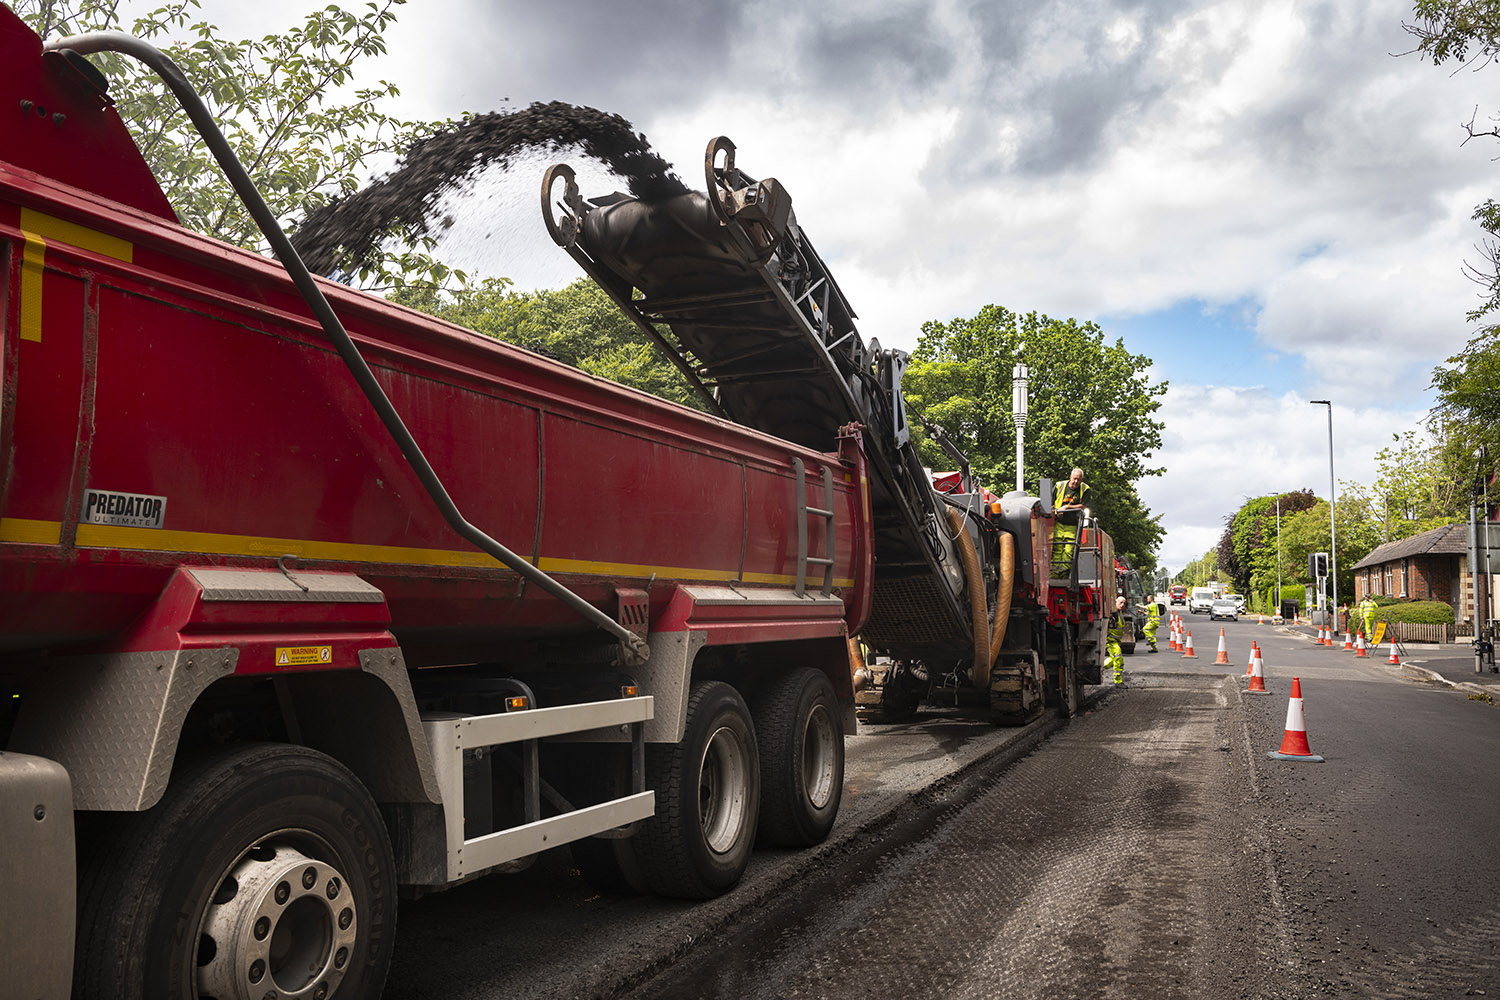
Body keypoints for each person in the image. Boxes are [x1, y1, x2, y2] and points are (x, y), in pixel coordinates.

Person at [1051, 468, 1091, 578]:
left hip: (1073, 525)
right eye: (1074, 479)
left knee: (1069, 552)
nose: (1076, 482)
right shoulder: (1059, 486)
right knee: (1057, 550)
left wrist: (1068, 507)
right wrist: (1056, 510)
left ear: (1082, 480)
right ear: (1070, 477)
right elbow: (1050, 503)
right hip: (1058, 523)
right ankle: (1053, 575)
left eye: (1078, 479)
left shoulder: (1085, 489)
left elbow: (1085, 505)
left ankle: (1063, 575)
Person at [1107, 596, 1126, 684]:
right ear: (1115, 602)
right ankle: (1118, 681)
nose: (1122, 605)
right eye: (1120, 603)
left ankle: (1099, 668)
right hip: (1111, 640)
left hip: (1116, 641)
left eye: (1124, 603)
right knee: (1119, 659)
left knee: (1112, 660)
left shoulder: (1120, 613)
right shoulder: (1112, 614)